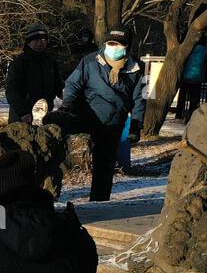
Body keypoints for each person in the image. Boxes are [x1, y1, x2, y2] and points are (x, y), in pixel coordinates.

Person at [60, 29, 145, 201]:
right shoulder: (89, 61)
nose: (113, 48)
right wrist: (67, 104)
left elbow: (141, 99)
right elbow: (73, 84)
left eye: (118, 45)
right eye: (110, 44)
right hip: (87, 113)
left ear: (127, 47)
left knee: (104, 165)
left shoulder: (138, 68)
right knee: (57, 135)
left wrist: (136, 124)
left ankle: (99, 201)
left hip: (113, 121)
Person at [5, 22, 66, 124]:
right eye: (37, 39)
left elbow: (58, 85)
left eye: (44, 39)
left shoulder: (50, 62)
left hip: (44, 114)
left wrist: (67, 96)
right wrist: (23, 113)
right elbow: (12, 91)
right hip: (23, 117)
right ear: (29, 42)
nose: (41, 42)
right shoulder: (20, 63)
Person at [177, 36, 207, 122]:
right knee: (194, 99)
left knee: (182, 97)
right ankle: (191, 116)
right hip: (197, 77)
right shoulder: (206, 50)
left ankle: (179, 114)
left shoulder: (189, 48)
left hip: (185, 76)